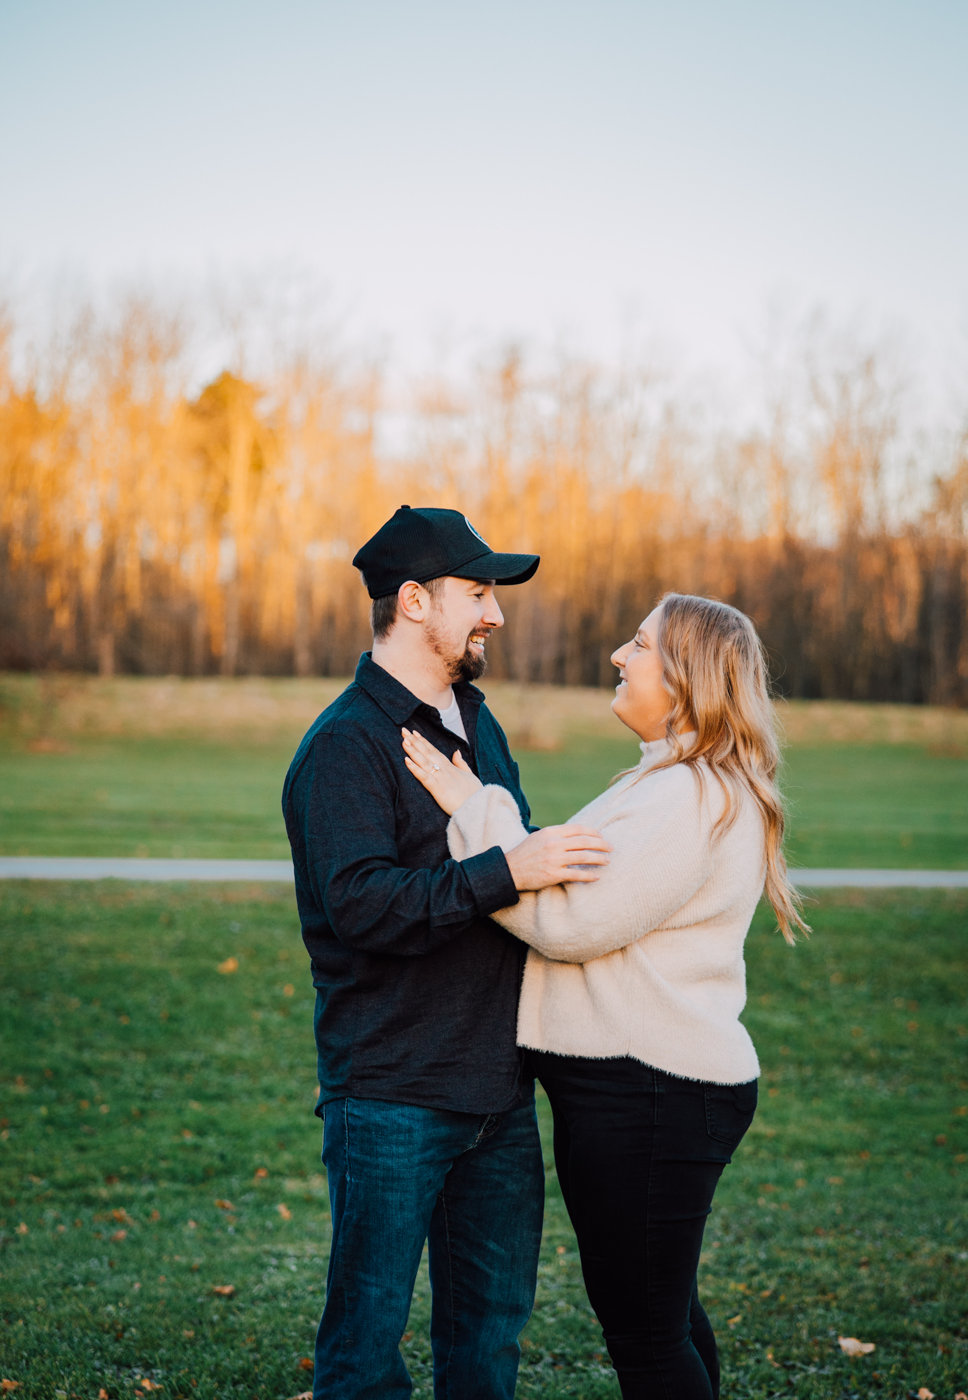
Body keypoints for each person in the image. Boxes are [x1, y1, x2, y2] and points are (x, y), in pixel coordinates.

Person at [402, 591, 810, 1400]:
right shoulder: (669, 780)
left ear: (688, 677)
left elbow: (573, 920)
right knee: (665, 1319)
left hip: (650, 1096)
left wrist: (473, 807)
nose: (620, 658)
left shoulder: (687, 794)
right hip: (645, 1092)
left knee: (647, 1339)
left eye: (640, 645)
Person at [281, 505, 610, 1400]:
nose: (496, 614)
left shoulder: (475, 721)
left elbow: (514, 847)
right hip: (390, 1096)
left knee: (487, 1346)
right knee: (364, 1356)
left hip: (499, 1096)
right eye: (479, 593)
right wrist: (506, 868)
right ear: (415, 602)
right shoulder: (344, 747)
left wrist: (518, 861)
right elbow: (361, 907)